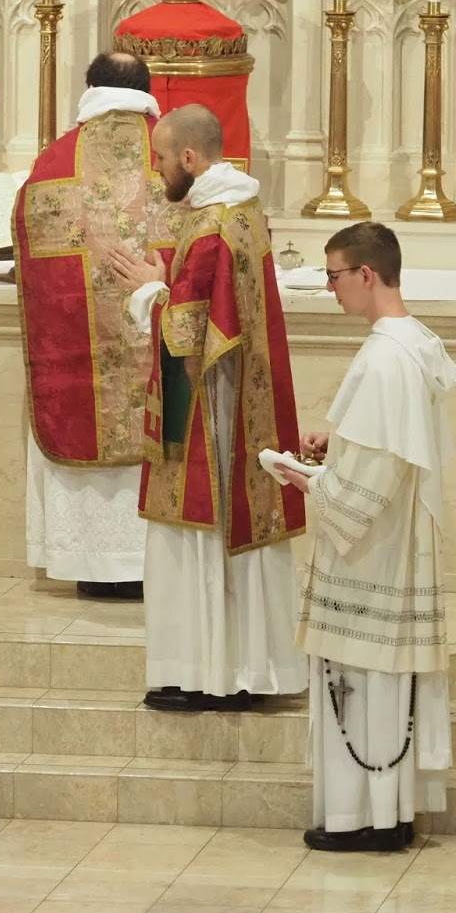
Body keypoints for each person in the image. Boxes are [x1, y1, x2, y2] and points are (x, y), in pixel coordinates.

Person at [110, 104, 308, 712]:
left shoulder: (213, 224)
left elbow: (191, 332)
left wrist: (147, 288)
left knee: (199, 537)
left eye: (163, 158)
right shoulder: (239, 212)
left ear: (190, 159)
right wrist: (165, 278)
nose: (158, 169)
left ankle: (212, 672)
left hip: (208, 411)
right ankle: (239, 667)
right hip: (230, 399)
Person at [274, 222, 456, 853]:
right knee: (381, 679)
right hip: (397, 545)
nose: (330, 289)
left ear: (366, 275)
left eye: (334, 276)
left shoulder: (383, 357)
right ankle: (392, 812)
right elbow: (387, 446)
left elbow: (367, 486)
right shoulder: (414, 342)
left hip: (371, 557)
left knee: (364, 678)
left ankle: (364, 821)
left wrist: (311, 482)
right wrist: (338, 444)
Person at [14, 52, 179, 600]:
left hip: (78, 363)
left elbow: (33, 256)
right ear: (147, 88)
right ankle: (155, 559)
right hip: (156, 350)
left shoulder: (53, 162)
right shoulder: (174, 156)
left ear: (89, 88)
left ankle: (93, 564)